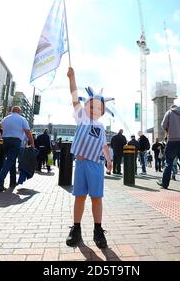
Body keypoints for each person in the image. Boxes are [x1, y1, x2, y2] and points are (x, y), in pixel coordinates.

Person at [65, 67, 113, 249]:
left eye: (98, 107)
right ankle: (76, 229)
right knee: (79, 197)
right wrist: (72, 77)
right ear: (85, 107)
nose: (94, 109)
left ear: (102, 111)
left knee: (96, 198)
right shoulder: (81, 119)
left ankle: (98, 230)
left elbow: (103, 145)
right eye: (91, 105)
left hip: (96, 165)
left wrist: (109, 160)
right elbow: (74, 96)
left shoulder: (100, 127)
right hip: (82, 163)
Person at [0, 106, 34, 192]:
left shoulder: (5, 118)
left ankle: (12, 182)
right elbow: (28, 132)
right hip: (16, 141)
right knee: (9, 161)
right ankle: (0, 182)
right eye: (20, 111)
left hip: (5, 140)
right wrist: (32, 143)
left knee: (11, 161)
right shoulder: (22, 119)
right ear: (19, 111)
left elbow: (1, 127)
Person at [157, 105, 180, 194]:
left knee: (168, 163)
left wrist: (170, 128)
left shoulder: (169, 112)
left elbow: (163, 125)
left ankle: (165, 184)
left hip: (172, 141)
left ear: (171, 107)